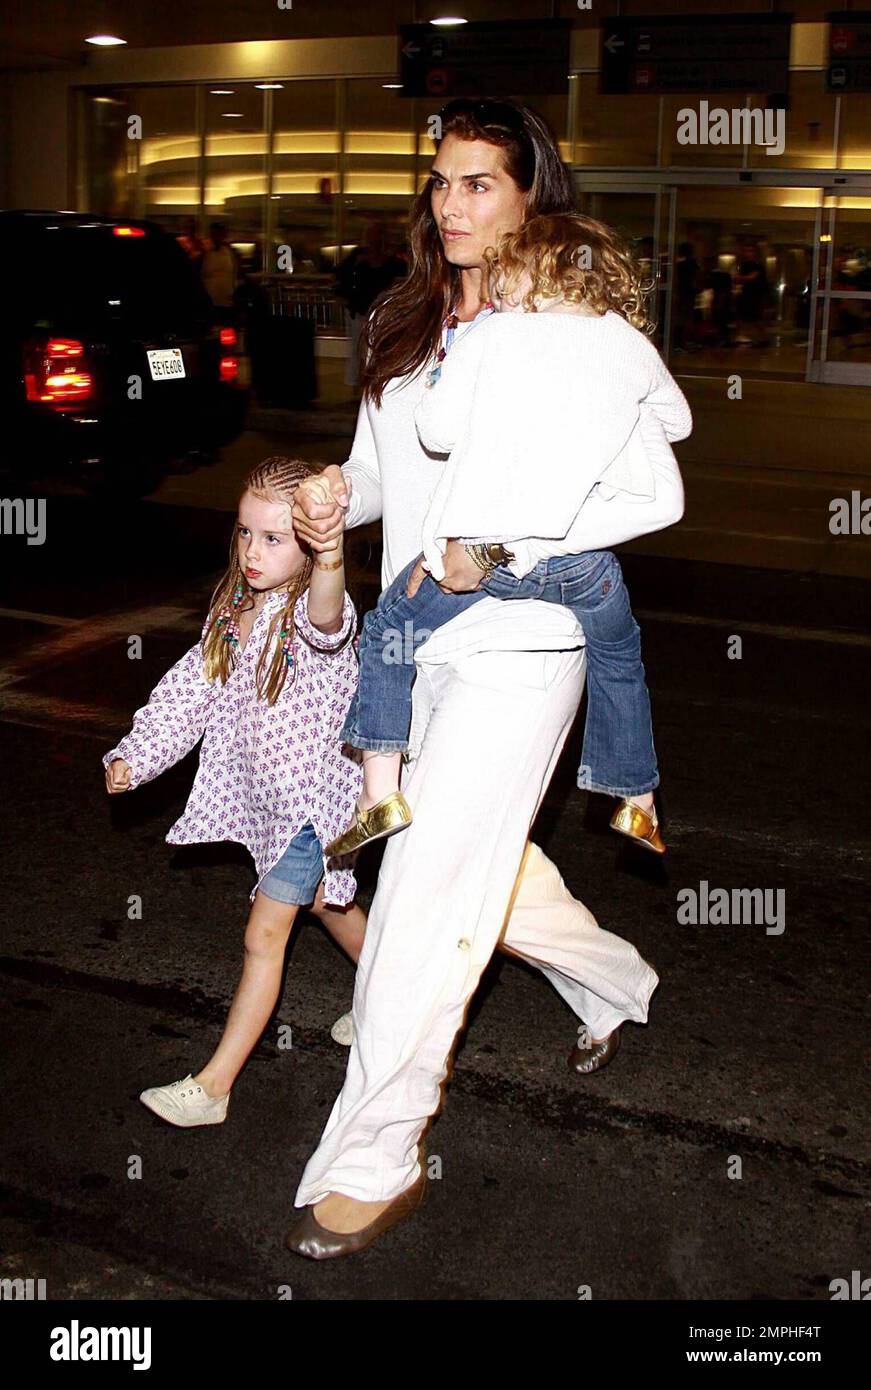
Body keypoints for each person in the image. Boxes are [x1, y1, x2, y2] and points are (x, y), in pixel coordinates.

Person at [285, 98, 683, 1260]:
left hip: (520, 644)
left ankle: (379, 1151)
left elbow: (647, 494)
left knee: (424, 888)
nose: (453, 206)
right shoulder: (403, 321)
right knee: (481, 863)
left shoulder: (567, 320)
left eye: (480, 184)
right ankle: (616, 979)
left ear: (530, 195)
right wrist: (327, 499)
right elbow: (372, 476)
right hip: (411, 644)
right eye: (442, 183)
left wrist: (504, 553)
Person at [326, 211, 691, 863]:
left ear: (531, 274)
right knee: (618, 655)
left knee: (387, 632)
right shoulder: (627, 343)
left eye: (506, 274)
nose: (496, 288)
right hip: (583, 565)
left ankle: (378, 789)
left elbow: (435, 433)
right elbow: (675, 421)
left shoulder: (496, 338)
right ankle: (635, 798)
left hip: (482, 554)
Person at [102, 456, 366, 1126]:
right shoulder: (233, 610)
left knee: (263, 935)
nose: (252, 550)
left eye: (274, 538)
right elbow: (187, 695)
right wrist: (135, 756)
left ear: (308, 544)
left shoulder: (313, 613)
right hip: (265, 803)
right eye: (245, 533)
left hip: (312, 807)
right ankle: (401, 998)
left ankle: (215, 1086)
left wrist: (331, 554)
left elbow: (328, 616)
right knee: (327, 906)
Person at [336, 224, 408, 389]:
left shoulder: (391, 261)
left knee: (379, 348)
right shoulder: (359, 258)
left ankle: (373, 382)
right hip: (361, 309)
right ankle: (356, 384)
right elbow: (342, 276)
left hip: (382, 312)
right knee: (358, 348)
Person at [200, 221, 241, 324]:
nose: (218, 237)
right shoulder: (204, 253)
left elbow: (234, 275)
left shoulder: (229, 252)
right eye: (216, 234)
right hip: (210, 302)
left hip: (227, 301)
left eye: (221, 234)